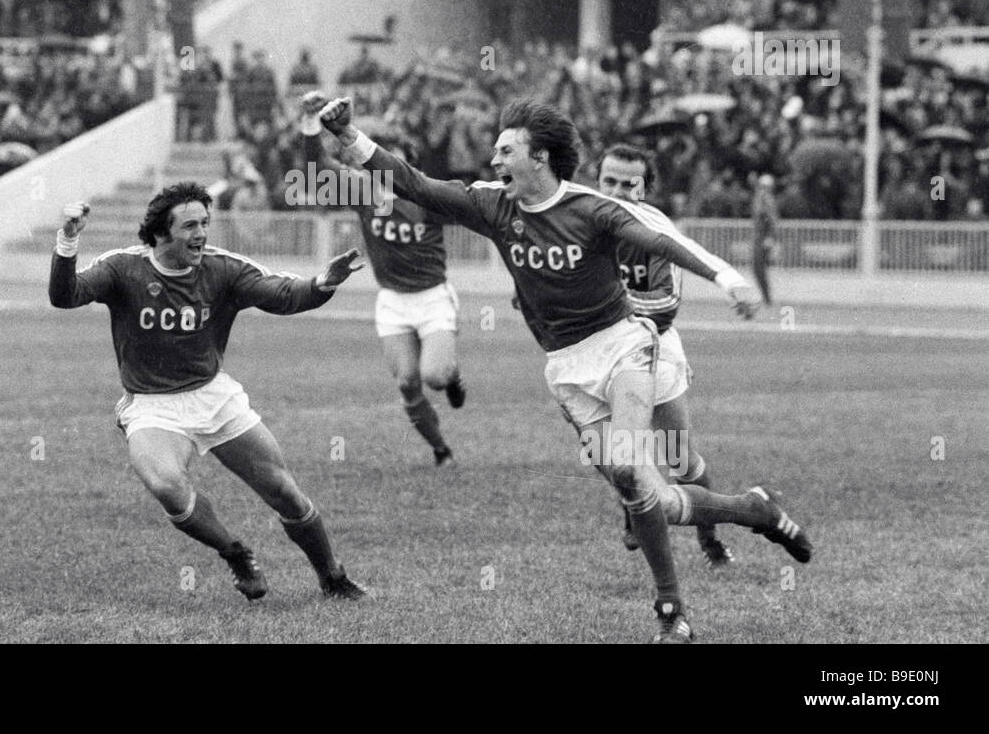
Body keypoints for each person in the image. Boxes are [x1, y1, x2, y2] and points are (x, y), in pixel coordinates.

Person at [318, 96, 812, 643]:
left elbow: (664, 241)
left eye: (506, 149)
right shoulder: (491, 204)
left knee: (628, 467)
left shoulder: (591, 210)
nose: (495, 159)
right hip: (566, 370)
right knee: (651, 497)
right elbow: (412, 183)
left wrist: (726, 279)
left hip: (625, 346)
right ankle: (753, 510)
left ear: (541, 158)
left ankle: (671, 613)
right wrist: (351, 135)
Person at [49, 182, 367, 601]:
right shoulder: (123, 267)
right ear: (162, 233)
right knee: (166, 485)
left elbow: (283, 295)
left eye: (205, 223)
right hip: (152, 405)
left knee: (284, 491)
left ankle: (332, 577)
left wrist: (324, 281)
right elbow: (65, 296)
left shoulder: (223, 269)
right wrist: (68, 239)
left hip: (213, 396)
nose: (201, 233)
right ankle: (235, 553)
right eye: (190, 226)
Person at [300, 93, 466, 467]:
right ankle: (441, 451)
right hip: (393, 299)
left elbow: (479, 217)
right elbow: (315, 167)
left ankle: (452, 376)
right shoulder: (362, 190)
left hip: (432, 296)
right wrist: (310, 123)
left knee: (435, 377)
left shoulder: (427, 196)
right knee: (408, 383)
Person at [597, 144, 732, 568]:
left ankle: (710, 539)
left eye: (629, 184)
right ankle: (633, 510)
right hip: (598, 349)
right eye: (609, 181)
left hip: (656, 344)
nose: (617, 191)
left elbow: (667, 302)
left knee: (679, 456)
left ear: (646, 188)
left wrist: (609, 300)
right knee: (618, 448)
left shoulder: (655, 232)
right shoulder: (579, 223)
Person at [751, 173, 778, 305]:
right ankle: (765, 296)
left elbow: (772, 221)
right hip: (759, 238)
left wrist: (770, 238)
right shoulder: (760, 200)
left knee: (759, 268)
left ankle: (767, 298)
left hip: (763, 238)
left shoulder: (767, 201)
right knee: (757, 268)